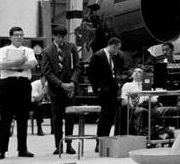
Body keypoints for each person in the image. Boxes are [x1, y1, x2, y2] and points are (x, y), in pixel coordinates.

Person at [0, 26, 37, 159]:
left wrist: (11, 65)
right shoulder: (3, 50)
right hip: (7, 85)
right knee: (5, 118)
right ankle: (2, 150)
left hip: (23, 85)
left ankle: (22, 149)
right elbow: (1, 65)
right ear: (10, 37)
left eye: (21, 35)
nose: (19, 37)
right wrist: (19, 62)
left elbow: (32, 64)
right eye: (16, 35)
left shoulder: (29, 50)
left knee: (23, 118)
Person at [42, 24, 80, 155]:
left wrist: (72, 82)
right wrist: (61, 84)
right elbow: (47, 71)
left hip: (70, 88)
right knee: (57, 118)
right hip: (56, 89)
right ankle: (58, 145)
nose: (61, 39)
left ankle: (69, 143)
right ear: (54, 36)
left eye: (63, 37)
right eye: (58, 37)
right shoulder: (47, 51)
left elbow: (78, 67)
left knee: (69, 117)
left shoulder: (71, 47)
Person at [88, 36, 123, 144]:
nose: (118, 51)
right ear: (113, 46)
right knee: (104, 116)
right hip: (103, 91)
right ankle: (100, 141)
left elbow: (116, 70)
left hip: (112, 91)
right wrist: (97, 88)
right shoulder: (98, 56)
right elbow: (92, 74)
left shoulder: (115, 57)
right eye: (117, 48)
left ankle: (106, 140)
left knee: (110, 117)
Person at [30, 42, 48, 134]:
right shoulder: (35, 84)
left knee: (53, 107)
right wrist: (44, 92)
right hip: (31, 103)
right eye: (44, 79)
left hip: (43, 103)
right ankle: (39, 129)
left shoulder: (49, 84)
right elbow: (35, 99)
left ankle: (54, 130)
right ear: (41, 78)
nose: (45, 81)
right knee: (38, 107)